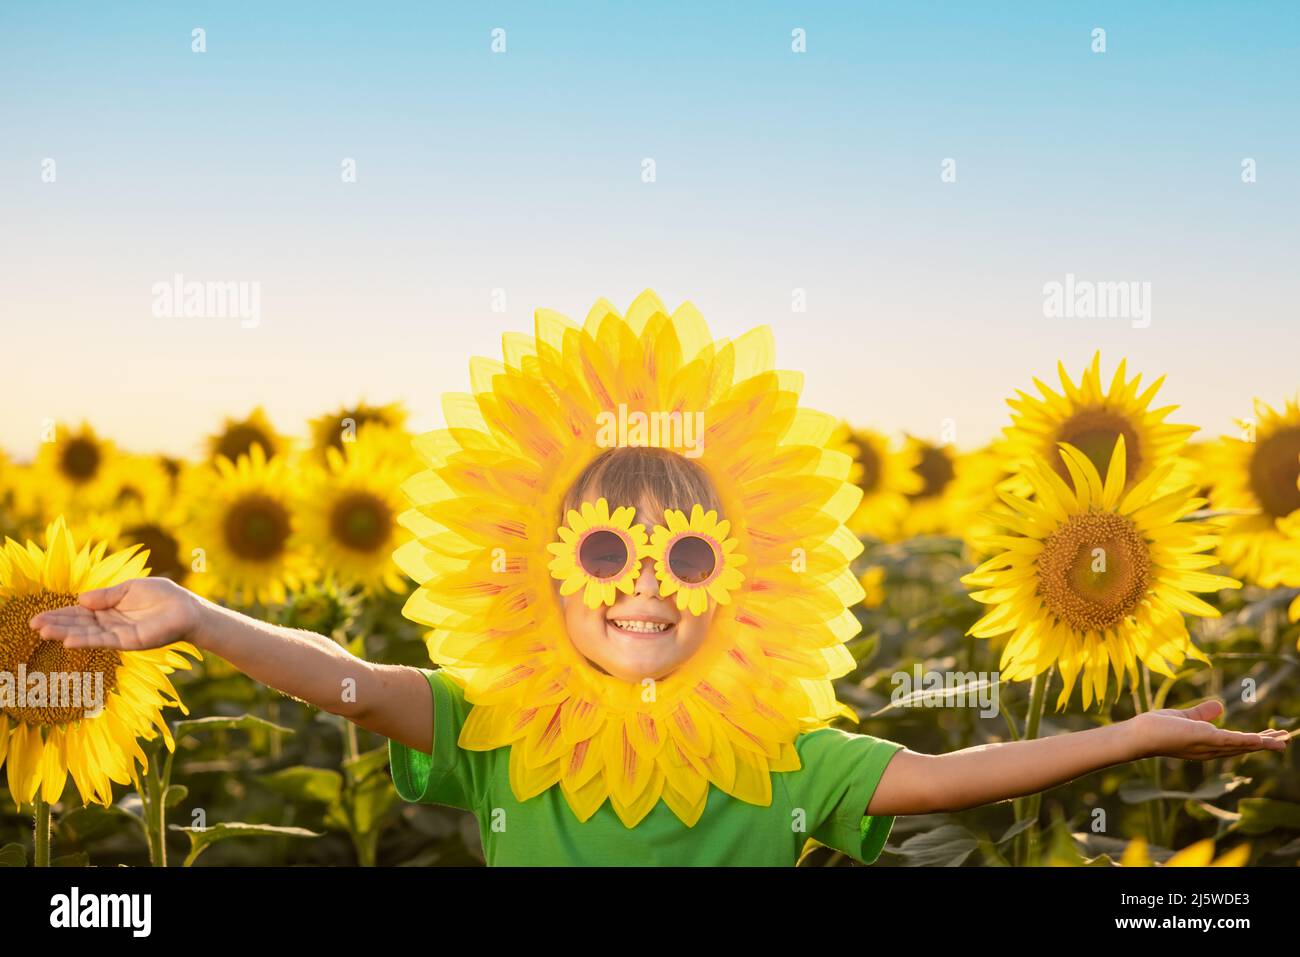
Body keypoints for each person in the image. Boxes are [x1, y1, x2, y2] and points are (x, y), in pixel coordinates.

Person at [28, 292, 1288, 865]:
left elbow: (952, 776)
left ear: (745, 586)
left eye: (688, 555)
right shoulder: (499, 736)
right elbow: (351, 685)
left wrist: (1125, 736)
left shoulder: (782, 756)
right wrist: (197, 617)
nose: (648, 585)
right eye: (603, 553)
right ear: (531, 580)